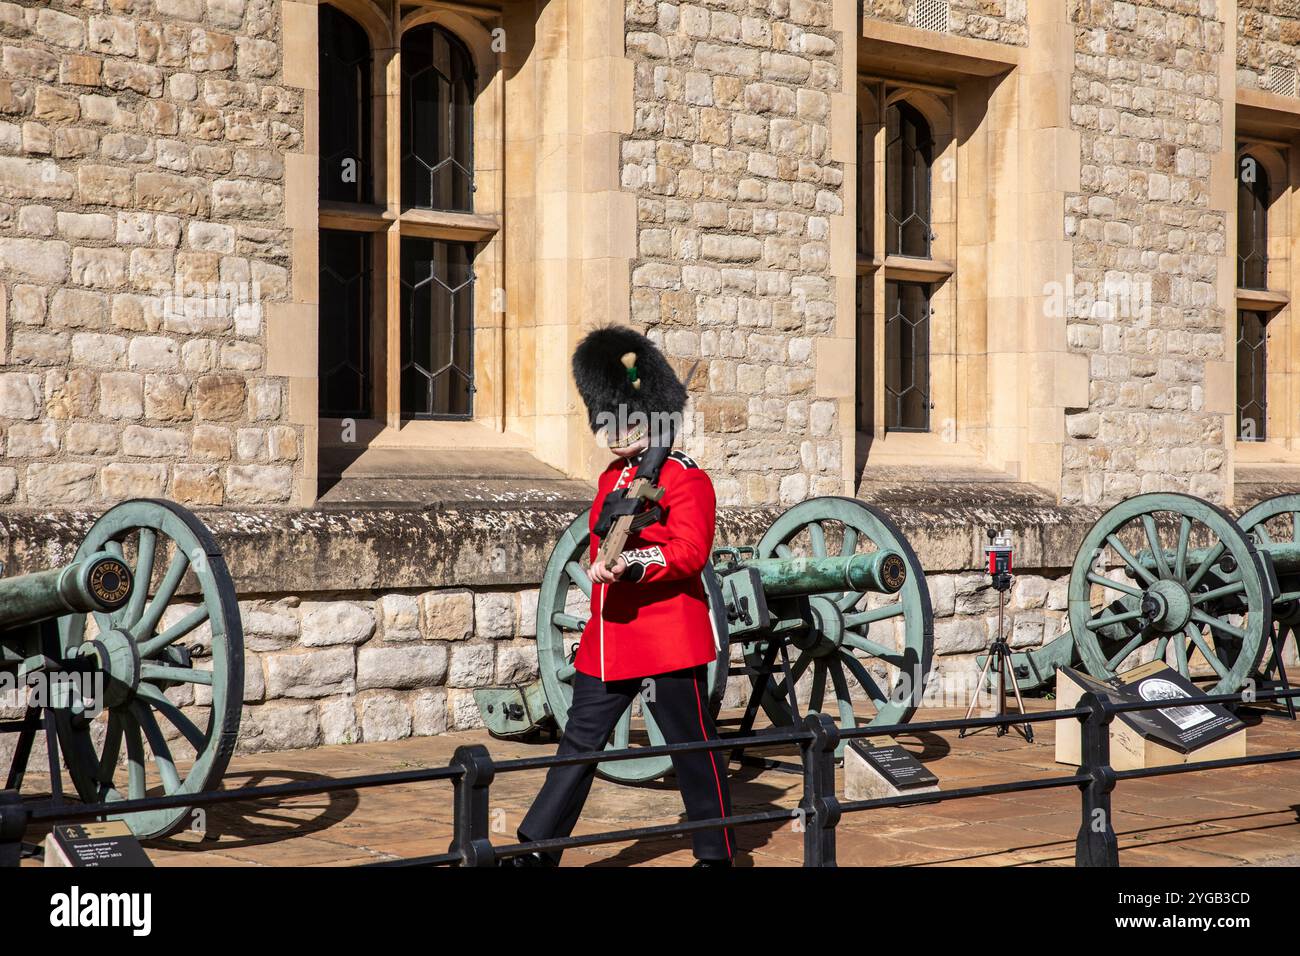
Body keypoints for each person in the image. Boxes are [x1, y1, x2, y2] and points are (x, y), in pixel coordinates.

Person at [503, 325, 734, 867]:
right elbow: (596, 543)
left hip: (667, 635)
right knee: (579, 744)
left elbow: (690, 552)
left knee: (691, 750)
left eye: (625, 421)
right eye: (605, 421)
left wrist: (634, 564)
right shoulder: (611, 481)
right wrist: (605, 562)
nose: (612, 433)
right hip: (609, 640)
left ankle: (717, 853)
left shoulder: (685, 479)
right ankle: (537, 850)